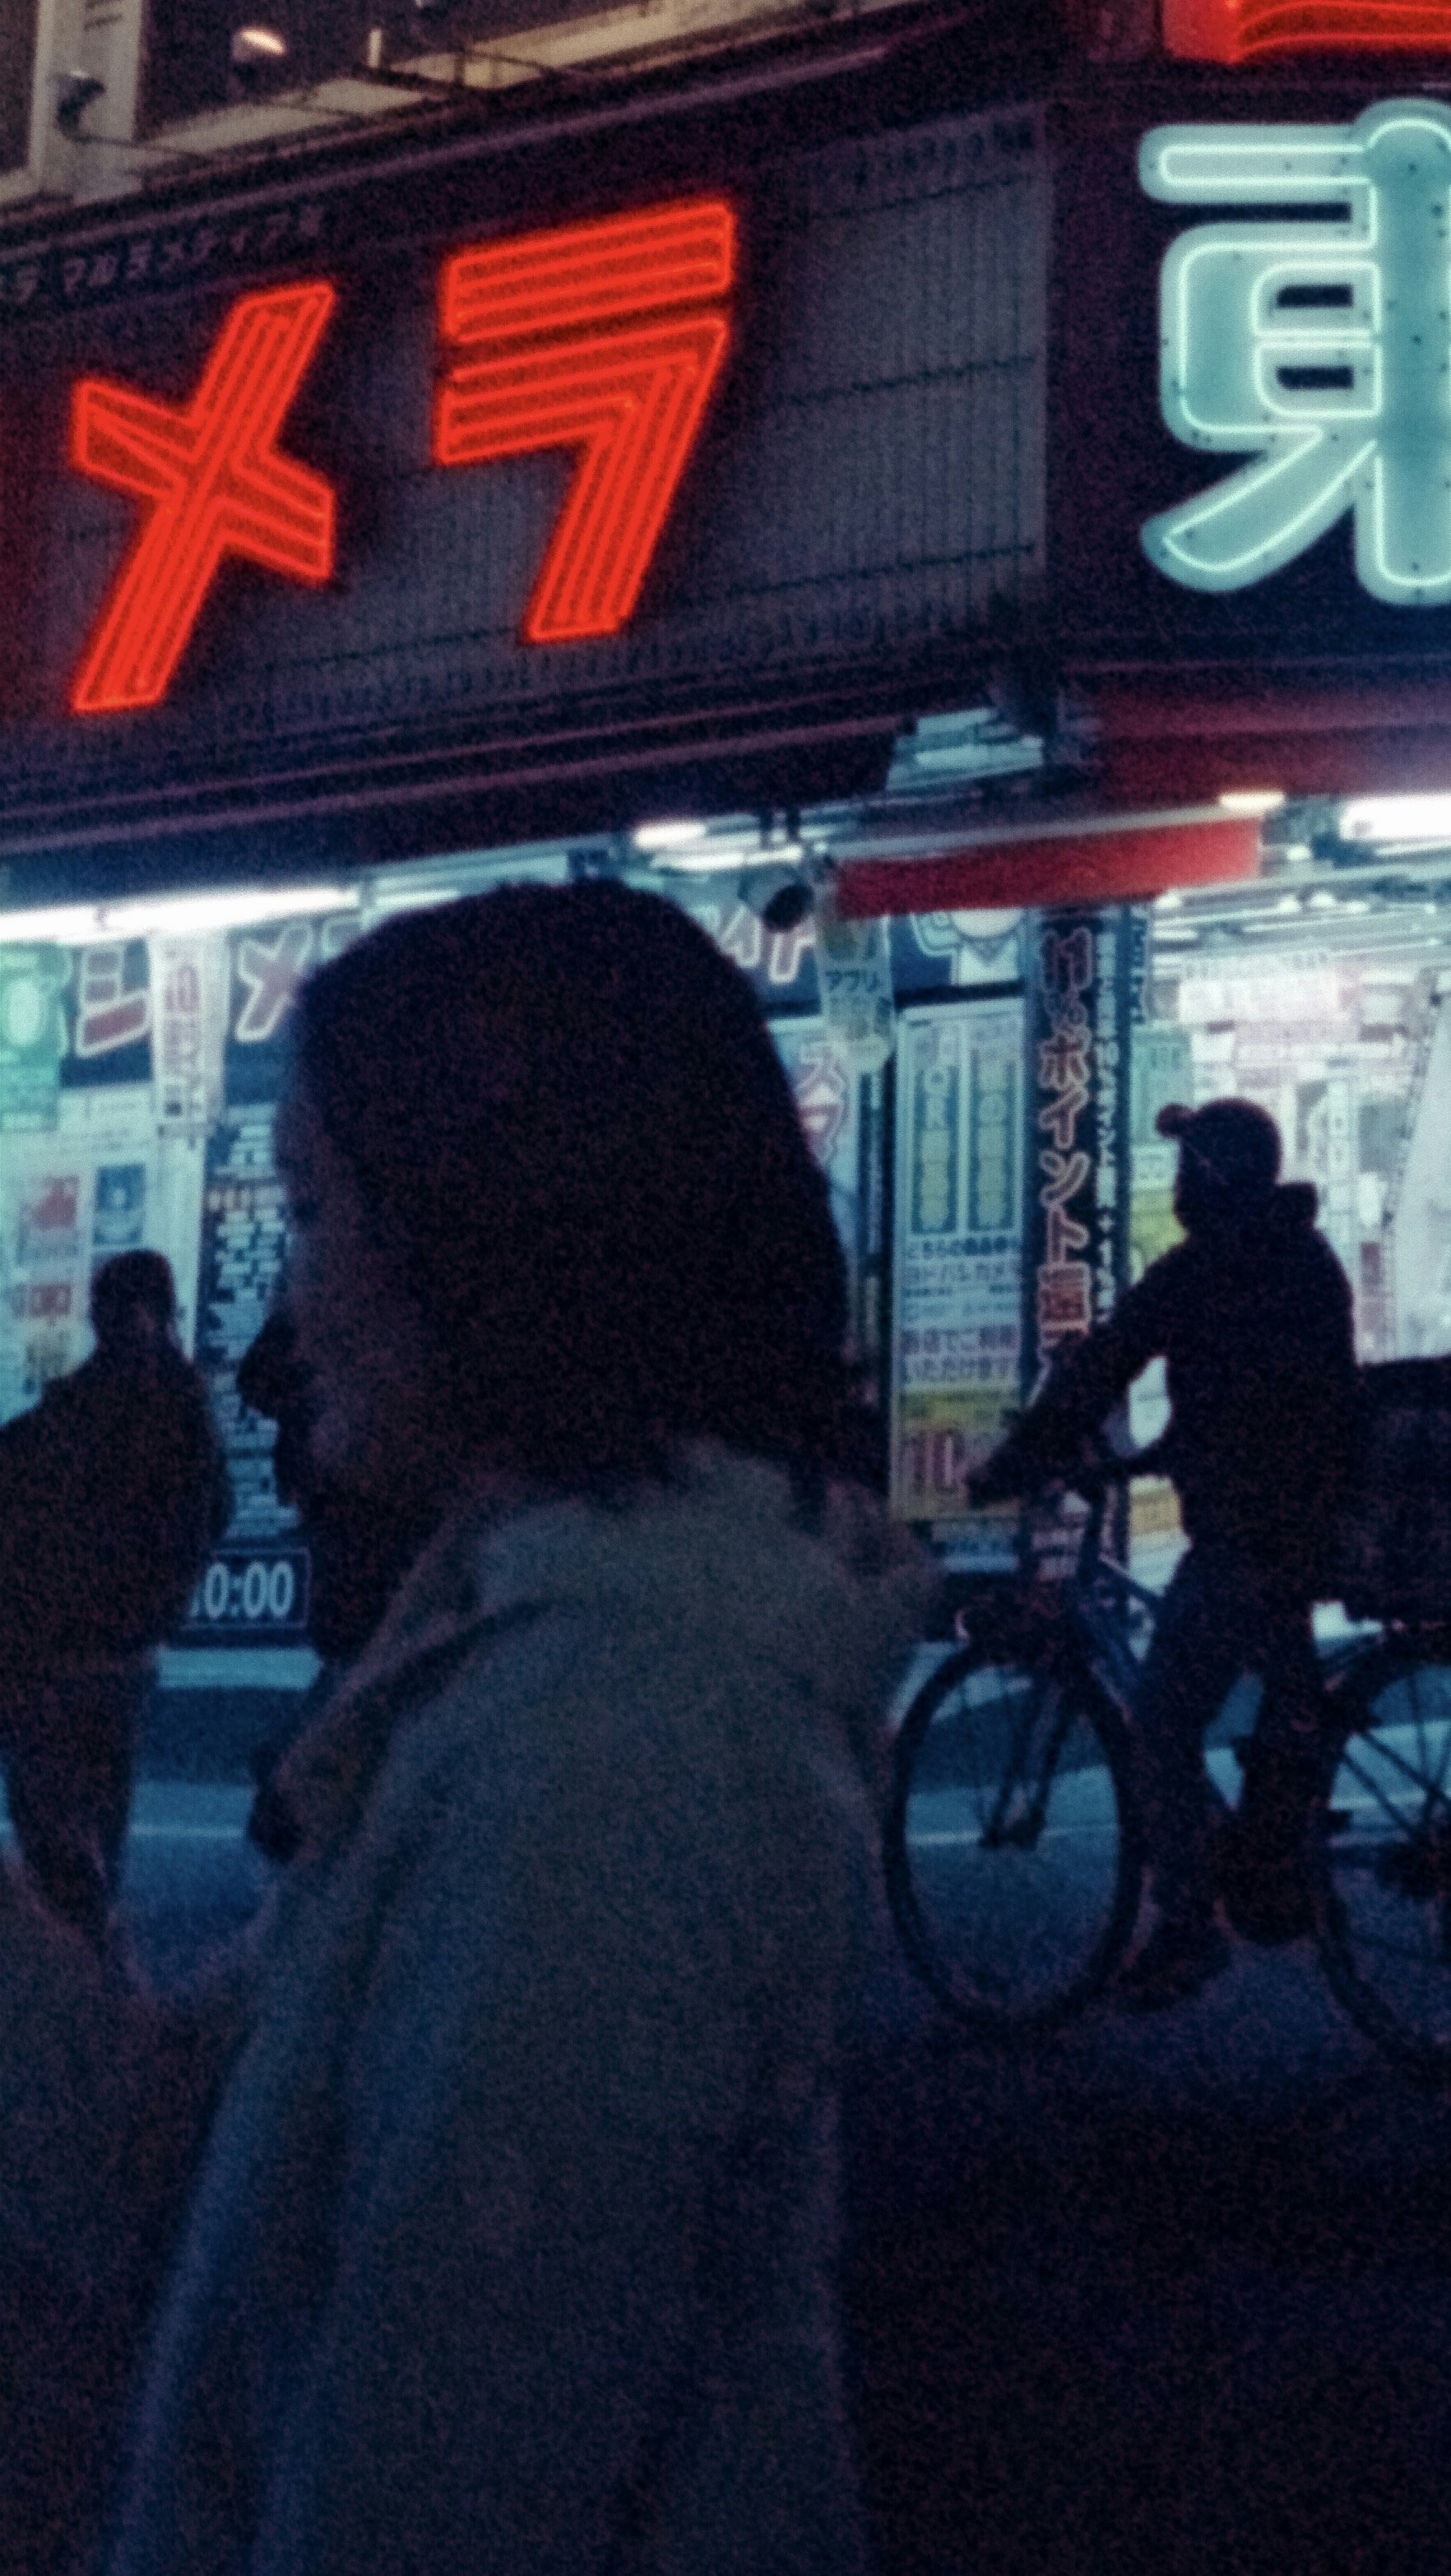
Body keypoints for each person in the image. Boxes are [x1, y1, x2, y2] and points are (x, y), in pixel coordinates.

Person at [0, 876, 933, 2576]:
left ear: (488, 1230)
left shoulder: (617, 1728)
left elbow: (441, 2463)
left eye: (310, 1209)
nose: (289, 1306)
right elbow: (175, 2164)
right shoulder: (529, 1650)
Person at [975, 1095, 1363, 2006]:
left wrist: (1020, 1458)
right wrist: (1167, 1450)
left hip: (1247, 1530)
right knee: (1282, 1709)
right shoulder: (1307, 1256)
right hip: (1310, 1523)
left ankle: (1188, 1924)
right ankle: (1277, 1862)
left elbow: (1107, 1360)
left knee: (1160, 1719)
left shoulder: (1204, 1268)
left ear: (1213, 1180)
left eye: (1187, 1167)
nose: (1178, 1184)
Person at [0, 1252, 225, 1934]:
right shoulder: (181, 1405)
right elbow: (211, 1510)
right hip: (125, 1648)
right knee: (97, 1827)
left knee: (53, 1833)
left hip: (50, 1649)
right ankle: (90, 1952)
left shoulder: (76, 1411)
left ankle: (75, 1965)